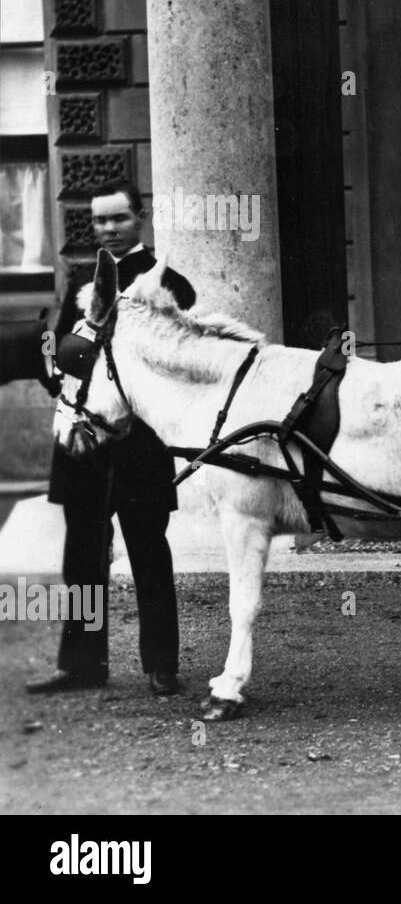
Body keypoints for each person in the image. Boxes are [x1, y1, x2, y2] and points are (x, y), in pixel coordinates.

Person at [26, 179, 196, 696]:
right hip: (82, 443)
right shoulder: (79, 278)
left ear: (140, 218)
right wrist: (58, 373)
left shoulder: (169, 282)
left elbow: (175, 362)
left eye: (118, 219)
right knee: (82, 552)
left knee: (148, 549)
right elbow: (51, 349)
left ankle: (161, 666)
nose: (108, 229)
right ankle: (81, 664)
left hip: (138, 446)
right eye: (99, 221)